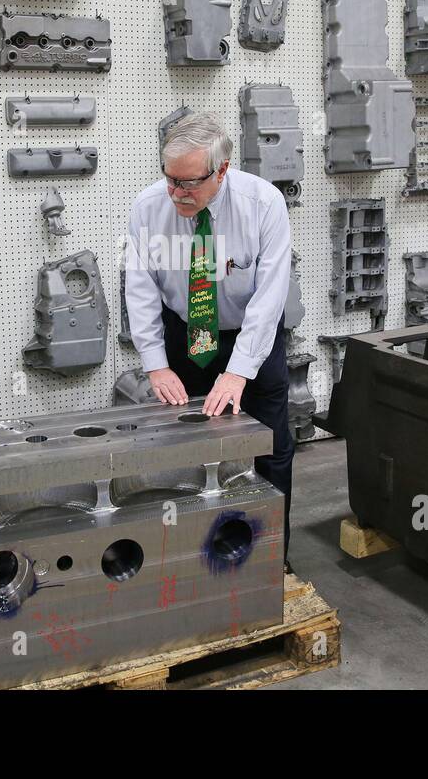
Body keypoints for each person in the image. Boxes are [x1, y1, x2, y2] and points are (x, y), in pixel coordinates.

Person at [123, 111, 295, 564]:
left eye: (189, 183)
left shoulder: (264, 204)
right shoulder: (147, 208)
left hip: (252, 336)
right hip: (188, 337)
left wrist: (238, 373)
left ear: (222, 170)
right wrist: (156, 364)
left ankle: (273, 560)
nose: (177, 193)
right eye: (170, 180)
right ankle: (197, 561)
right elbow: (140, 289)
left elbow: (269, 297)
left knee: (270, 448)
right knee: (190, 453)